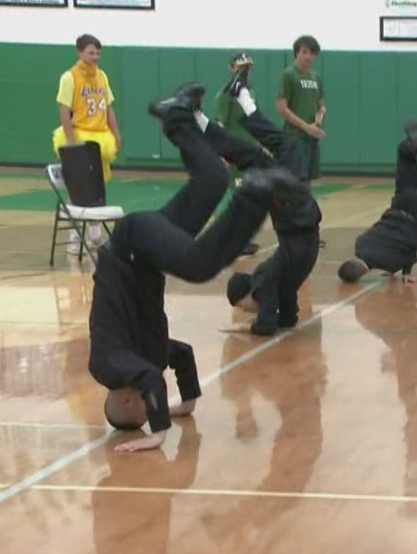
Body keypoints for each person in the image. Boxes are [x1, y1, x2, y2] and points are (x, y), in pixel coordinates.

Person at [90, 82, 303, 454]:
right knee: (212, 180)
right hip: (142, 248)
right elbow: (180, 355)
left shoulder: (108, 366)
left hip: (131, 248)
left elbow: (150, 377)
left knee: (199, 265)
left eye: (143, 411)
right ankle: (176, 114)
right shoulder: (144, 355)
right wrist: (186, 402)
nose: (150, 406)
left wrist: (158, 431)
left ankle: (258, 189)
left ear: (125, 400)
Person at [211, 67, 323, 336]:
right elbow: (287, 319)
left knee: (259, 155)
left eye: (243, 308)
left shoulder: (265, 281)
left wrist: (243, 327)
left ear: (244, 296)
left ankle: (230, 104)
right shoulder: (271, 280)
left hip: (297, 218)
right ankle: (238, 99)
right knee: (279, 147)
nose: (248, 311)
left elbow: (267, 326)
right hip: (297, 217)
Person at [337, 120, 417, 284]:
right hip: (401, 204)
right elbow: (382, 239)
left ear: (362, 275)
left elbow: (409, 251)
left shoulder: (391, 263)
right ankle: (405, 152)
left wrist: (406, 273)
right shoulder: (361, 242)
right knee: (406, 182)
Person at [52, 34, 122, 254]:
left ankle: (95, 236)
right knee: (78, 189)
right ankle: (74, 238)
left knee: (97, 188)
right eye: (91, 53)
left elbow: (108, 108)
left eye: (98, 53)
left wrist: (116, 134)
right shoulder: (69, 77)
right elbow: (64, 111)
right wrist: (71, 143)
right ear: (79, 52)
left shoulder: (102, 76)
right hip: (80, 135)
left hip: (100, 137)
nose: (95, 57)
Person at [213, 51, 264, 256]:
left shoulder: (249, 92)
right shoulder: (226, 94)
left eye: (247, 67)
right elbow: (219, 125)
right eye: (241, 67)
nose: (245, 71)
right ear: (231, 68)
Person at [277, 35, 325, 183]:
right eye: (304, 52)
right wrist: (305, 126)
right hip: (294, 137)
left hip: (311, 138)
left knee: (308, 179)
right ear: (296, 52)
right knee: (295, 179)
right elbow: (282, 109)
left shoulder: (316, 77)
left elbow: (321, 105)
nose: (308, 57)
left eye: (312, 53)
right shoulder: (288, 75)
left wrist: (319, 118)